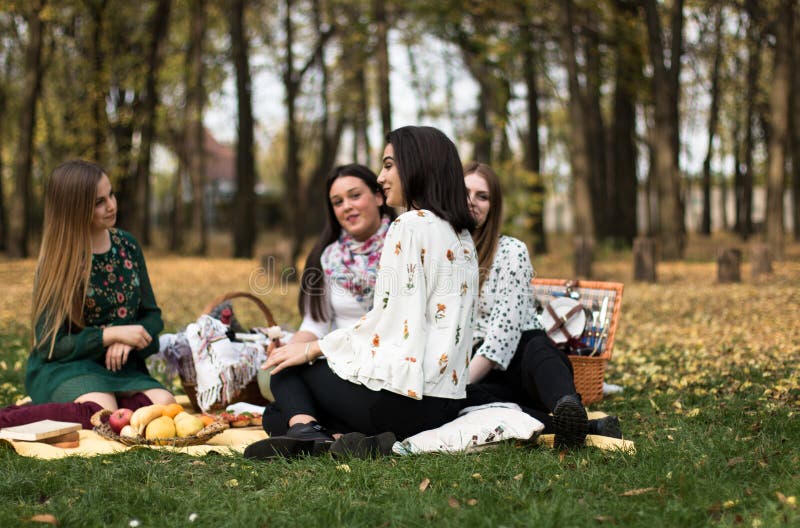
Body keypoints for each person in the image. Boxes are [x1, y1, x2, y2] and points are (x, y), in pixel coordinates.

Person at [245, 126, 478, 459]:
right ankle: (333, 436)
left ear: (416, 164)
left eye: (387, 165)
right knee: (275, 413)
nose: (381, 177)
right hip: (445, 402)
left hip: (408, 400)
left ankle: (307, 432)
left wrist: (314, 349)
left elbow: (391, 322)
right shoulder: (461, 235)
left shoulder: (410, 225)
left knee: (288, 373)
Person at [1, 160, 174, 430]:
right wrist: (110, 335)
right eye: (98, 202)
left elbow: (152, 316)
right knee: (102, 413)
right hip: (68, 366)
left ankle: (106, 406)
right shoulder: (59, 261)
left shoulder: (128, 246)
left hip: (122, 368)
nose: (111, 206)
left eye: (111, 195)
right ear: (75, 209)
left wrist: (131, 340)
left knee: (164, 404)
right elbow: (50, 345)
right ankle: (9, 418)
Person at [461, 162, 621, 448]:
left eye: (482, 196)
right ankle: (585, 426)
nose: (472, 201)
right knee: (472, 402)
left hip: (523, 361)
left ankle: (567, 405)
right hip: (480, 373)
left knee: (538, 348)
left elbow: (504, 335)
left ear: (493, 207)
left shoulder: (512, 251)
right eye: (465, 192)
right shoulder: (444, 255)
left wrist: (461, 382)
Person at [260, 163, 395, 434]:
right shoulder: (328, 256)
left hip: (384, 367)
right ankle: (316, 431)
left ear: (379, 196)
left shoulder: (402, 245)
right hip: (340, 365)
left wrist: (311, 352)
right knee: (280, 375)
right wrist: (287, 349)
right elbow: (316, 324)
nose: (346, 206)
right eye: (337, 201)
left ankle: (307, 429)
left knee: (279, 413)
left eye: (355, 196)